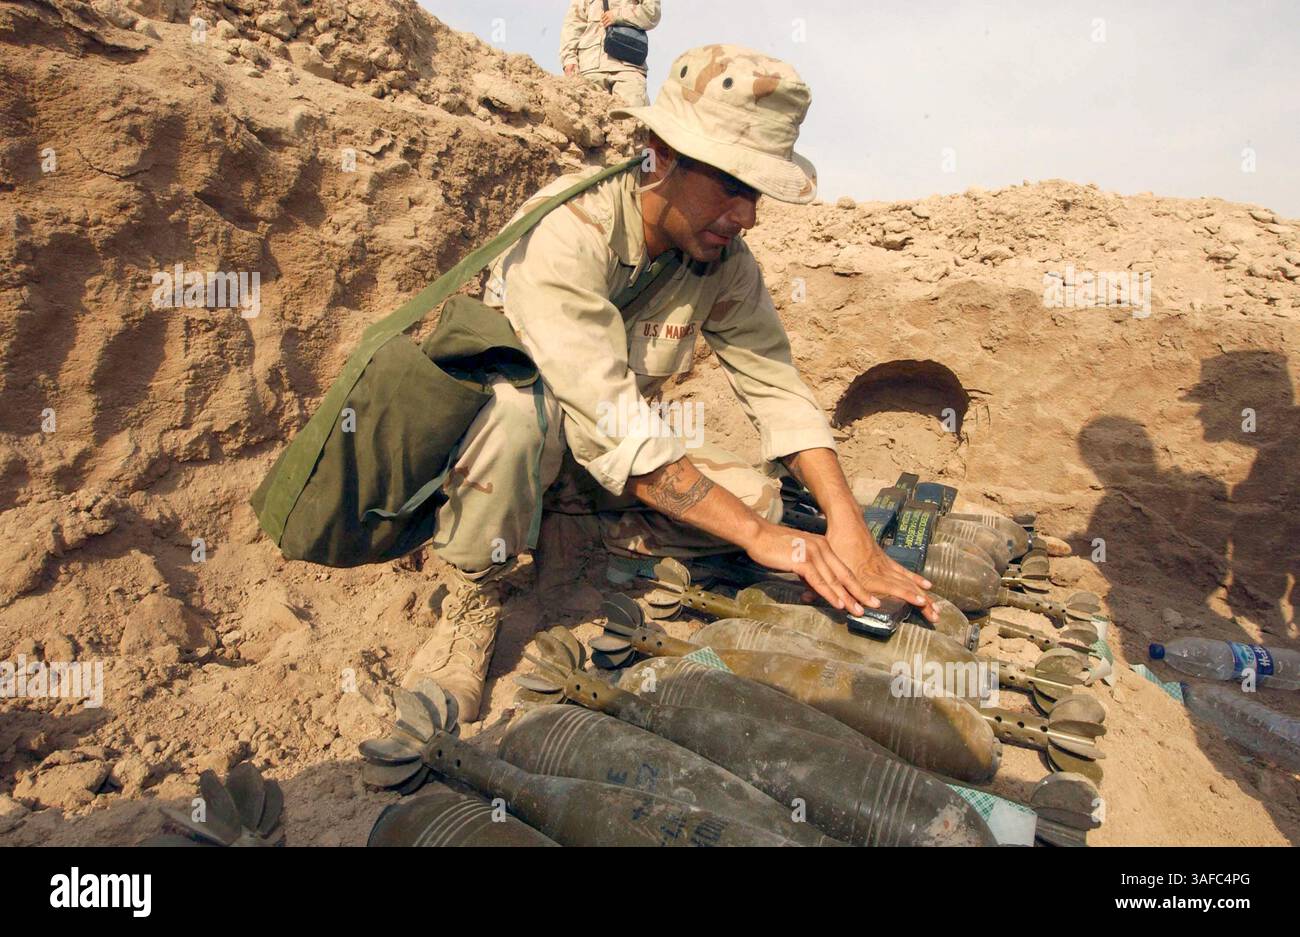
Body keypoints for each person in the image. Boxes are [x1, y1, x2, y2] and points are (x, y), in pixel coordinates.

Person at [407, 45, 937, 722]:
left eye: (757, 193)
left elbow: (776, 384)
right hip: (505, 459)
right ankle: (471, 602)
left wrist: (846, 524)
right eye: (731, 185)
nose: (747, 215)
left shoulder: (719, 261)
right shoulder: (566, 235)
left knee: (773, 509)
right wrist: (755, 536)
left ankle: (581, 532)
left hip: (605, 461)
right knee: (521, 415)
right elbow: (617, 432)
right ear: (660, 154)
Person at [561, 0, 661, 107]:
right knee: (590, 119)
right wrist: (569, 59)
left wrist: (618, 15)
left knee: (631, 118)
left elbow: (652, 13)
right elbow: (573, 24)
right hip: (591, 68)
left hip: (628, 68)